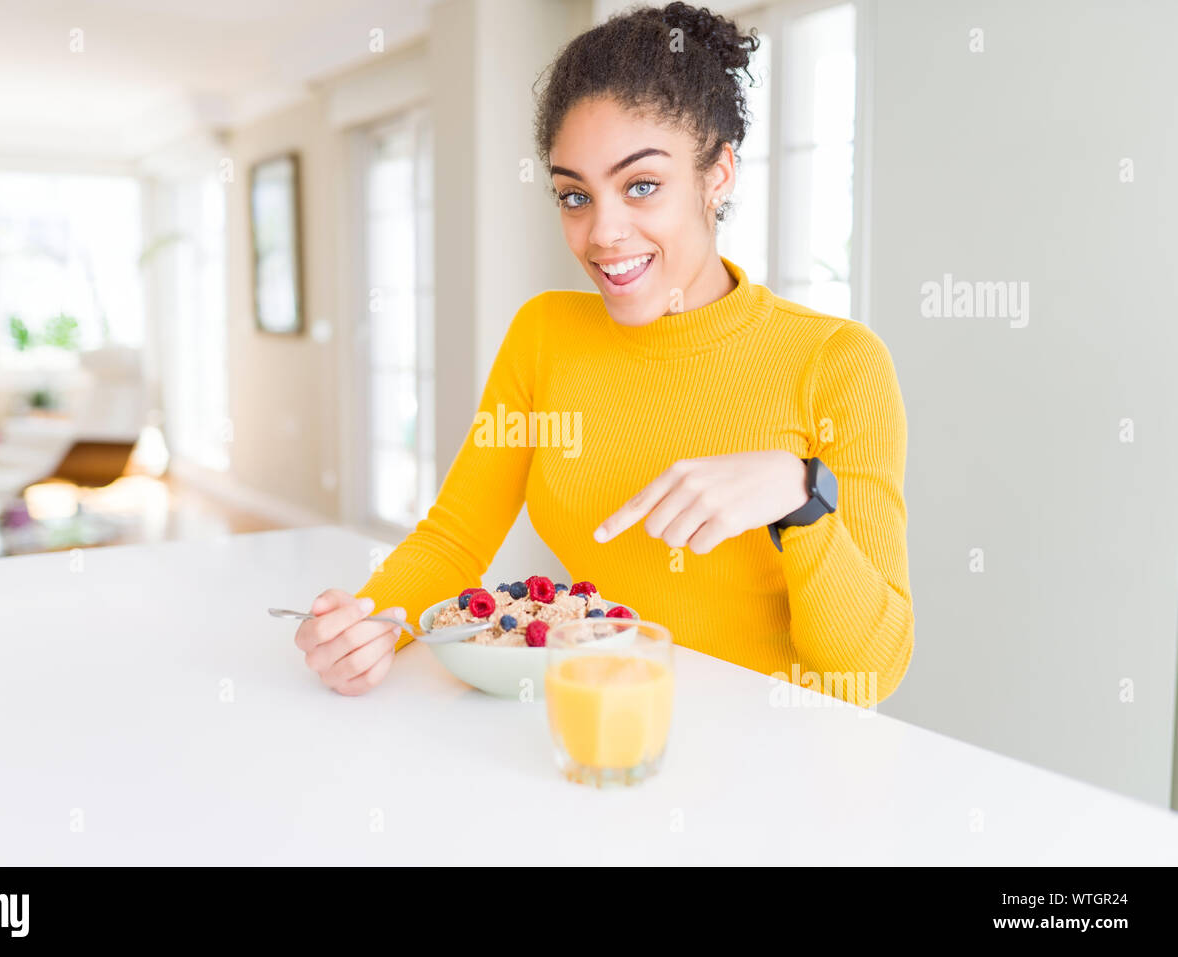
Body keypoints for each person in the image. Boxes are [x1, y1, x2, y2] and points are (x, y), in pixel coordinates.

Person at [295, 2, 912, 706]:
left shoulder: (838, 363)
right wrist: (372, 622)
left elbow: (872, 670)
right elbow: (454, 541)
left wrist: (801, 499)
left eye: (641, 186)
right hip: (599, 729)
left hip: (765, 764)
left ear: (718, 176)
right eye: (574, 196)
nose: (603, 233)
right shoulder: (545, 335)